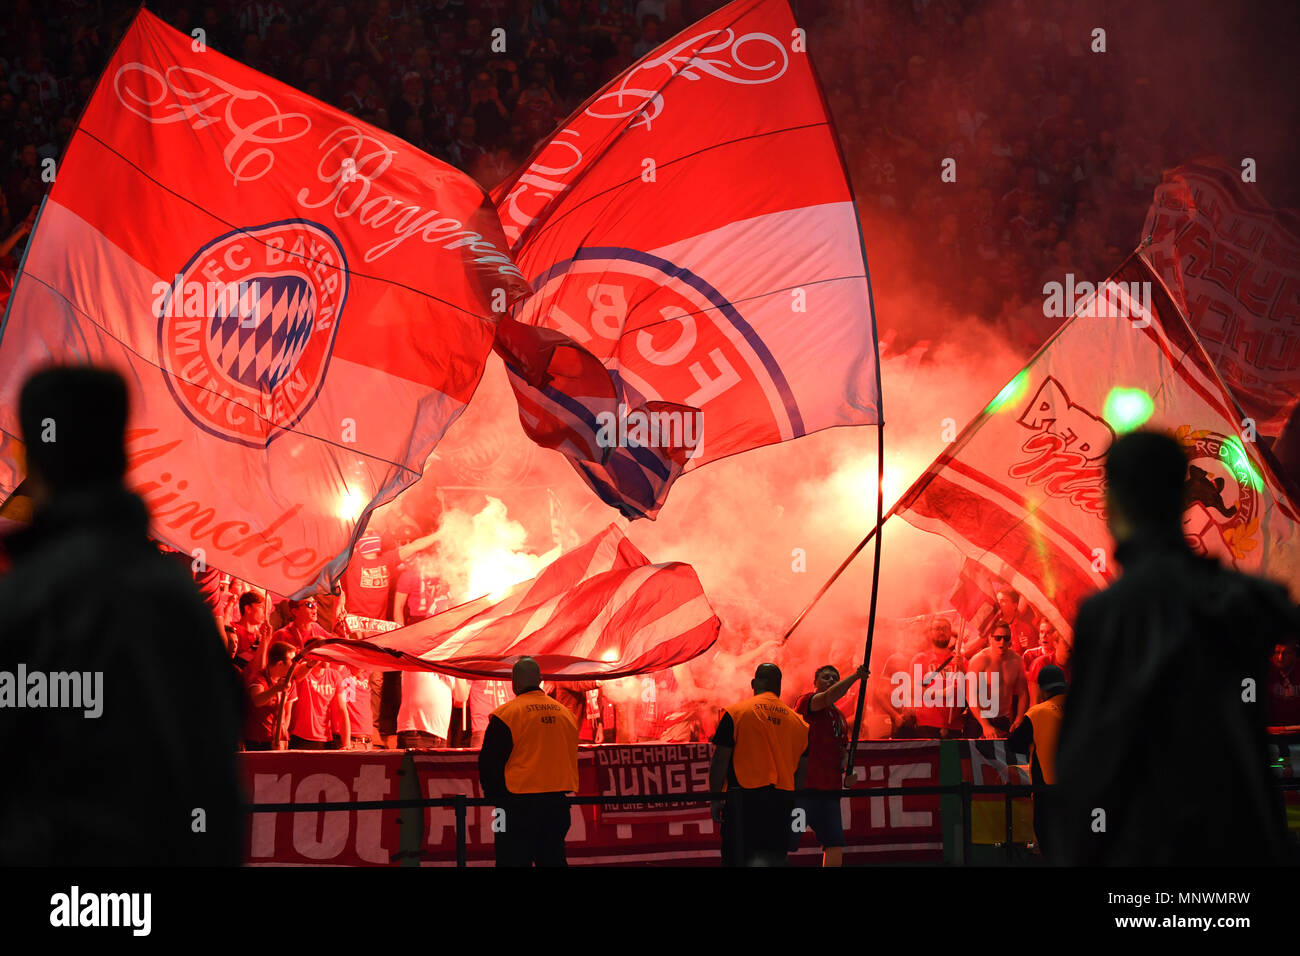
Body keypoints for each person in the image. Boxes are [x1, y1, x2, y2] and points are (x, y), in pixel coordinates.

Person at [0, 366, 243, 864]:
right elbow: (216, 771)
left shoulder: (27, 596)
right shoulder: (177, 598)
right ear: (121, 454)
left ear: (37, 458)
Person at [1054, 431, 1298, 865]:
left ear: (1115, 507)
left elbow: (1088, 759)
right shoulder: (1247, 599)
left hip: (1148, 849)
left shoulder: (1108, 615)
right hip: (1239, 845)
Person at [478, 657, 580, 866]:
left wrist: (496, 800)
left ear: (514, 682)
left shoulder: (506, 715)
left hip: (514, 807)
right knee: (553, 860)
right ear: (540, 680)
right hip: (557, 806)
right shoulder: (566, 714)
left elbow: (489, 764)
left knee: (509, 861)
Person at [709, 663, 810, 867]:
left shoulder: (736, 713)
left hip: (743, 801)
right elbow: (802, 771)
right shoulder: (799, 723)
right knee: (774, 859)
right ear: (779, 688)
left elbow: (721, 759)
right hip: (782, 803)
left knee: (737, 859)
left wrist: (716, 798)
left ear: (754, 683)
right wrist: (793, 802)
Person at [791, 663, 868, 866]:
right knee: (787, 840)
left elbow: (841, 752)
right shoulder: (807, 701)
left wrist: (848, 772)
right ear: (814, 682)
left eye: (835, 678)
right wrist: (855, 677)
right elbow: (826, 698)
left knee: (834, 843)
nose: (831, 681)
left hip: (829, 795)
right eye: (826, 677)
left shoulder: (840, 718)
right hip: (802, 792)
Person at [1007, 663, 1066, 858]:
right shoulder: (1085, 707)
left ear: (1041, 688)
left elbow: (1014, 744)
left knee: (1050, 847)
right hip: (1085, 787)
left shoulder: (1038, 712)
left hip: (1048, 791)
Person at [965, 621, 1030, 737]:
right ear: (990, 638)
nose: (1002, 642)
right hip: (978, 719)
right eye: (998, 638)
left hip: (1002, 719)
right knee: (973, 755)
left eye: (1006, 638)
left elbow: (1023, 693)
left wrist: (1019, 718)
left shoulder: (1017, 660)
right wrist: (985, 725)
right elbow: (970, 696)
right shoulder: (979, 660)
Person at [907, 618, 966, 738]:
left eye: (945, 628)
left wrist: (962, 670)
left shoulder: (961, 660)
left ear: (951, 632)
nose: (941, 632)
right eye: (937, 628)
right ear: (930, 632)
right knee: (928, 757)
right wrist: (941, 693)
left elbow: (970, 692)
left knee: (950, 757)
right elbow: (914, 691)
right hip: (927, 724)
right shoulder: (920, 659)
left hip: (954, 725)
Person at [244, 642, 299, 751]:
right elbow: (257, 700)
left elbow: (287, 713)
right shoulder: (259, 678)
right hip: (258, 741)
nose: (295, 665)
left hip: (278, 740)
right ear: (280, 664)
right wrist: (276, 689)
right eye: (292, 661)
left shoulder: (289, 681)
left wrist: (281, 736)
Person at [286, 655, 349, 750]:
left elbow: (342, 710)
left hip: (325, 739)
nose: (328, 657)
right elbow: (296, 674)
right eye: (324, 654)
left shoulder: (334, 675)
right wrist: (310, 664)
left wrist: (346, 744)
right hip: (300, 738)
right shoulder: (303, 670)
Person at [397, 670, 454, 748]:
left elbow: (461, 697)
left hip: (440, 735)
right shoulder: (421, 658)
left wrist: (460, 669)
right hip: (416, 732)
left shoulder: (450, 665)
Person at [229, 590, 271, 673]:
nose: (265, 613)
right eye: (262, 607)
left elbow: (261, 668)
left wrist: (265, 639)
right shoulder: (233, 629)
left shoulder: (261, 636)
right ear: (248, 608)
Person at [1267, 637, 1300, 727]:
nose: (1280, 657)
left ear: (1295, 655)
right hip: (1273, 729)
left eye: (1286, 654)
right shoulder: (1266, 669)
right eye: (1277, 653)